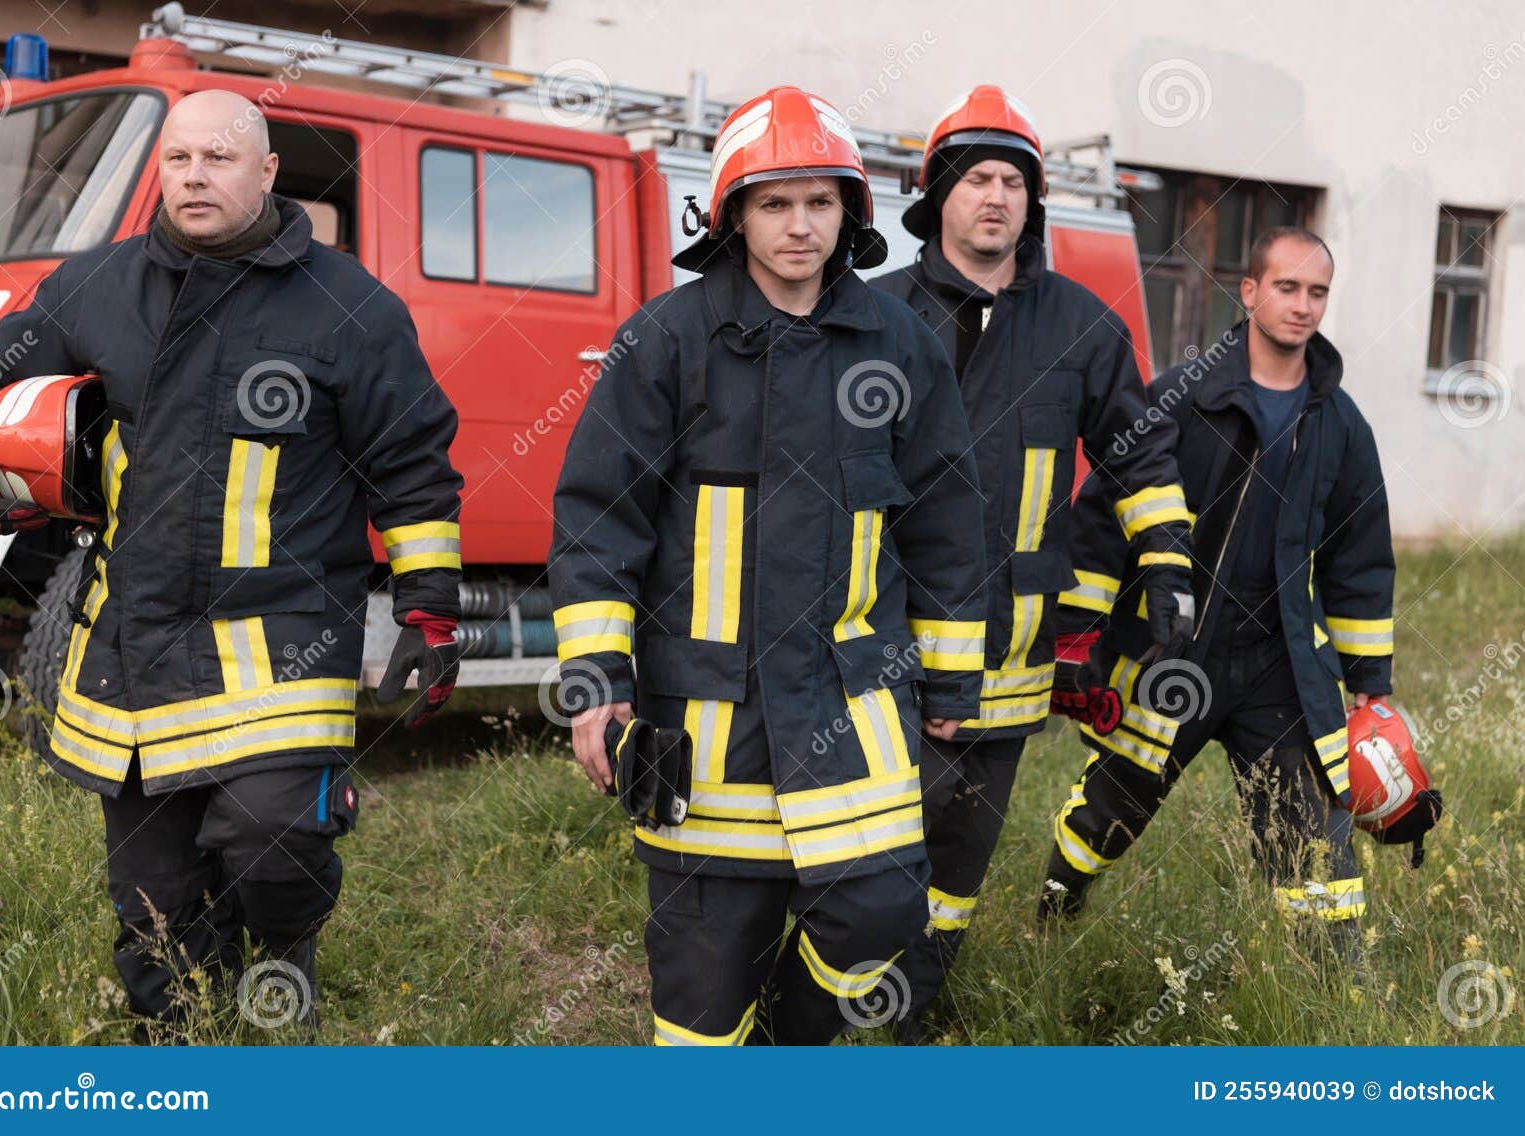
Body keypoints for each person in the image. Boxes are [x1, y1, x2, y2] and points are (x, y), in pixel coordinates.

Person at [0, 90, 464, 1033]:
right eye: (178, 160)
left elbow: (412, 469)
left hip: (282, 637)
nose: (195, 176)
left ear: (266, 174)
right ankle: (174, 1046)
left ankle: (284, 948)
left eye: (218, 158)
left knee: (270, 838)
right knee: (152, 897)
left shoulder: (352, 309)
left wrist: (429, 609)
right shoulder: (95, 284)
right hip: (133, 638)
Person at [549, 85, 987, 1045]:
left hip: (851, 702)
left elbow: (949, 523)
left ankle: (786, 1050)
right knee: (702, 999)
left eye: (821, 202)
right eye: (775, 202)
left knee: (880, 916)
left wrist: (953, 674)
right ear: (734, 214)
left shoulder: (901, 345)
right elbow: (598, 518)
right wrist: (594, 677)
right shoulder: (666, 339)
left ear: (851, 214)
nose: (800, 226)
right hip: (702, 712)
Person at [868, 85, 1192, 1036]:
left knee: (957, 864)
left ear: (1032, 201)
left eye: (1013, 179)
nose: (996, 197)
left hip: (1008, 659)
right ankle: (819, 1016)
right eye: (977, 178)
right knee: (864, 850)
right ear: (938, 196)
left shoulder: (1083, 329)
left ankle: (907, 1022)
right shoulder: (873, 318)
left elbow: (1140, 457)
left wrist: (1168, 561)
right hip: (876, 648)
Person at [1039, 227, 1394, 955]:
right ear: (1252, 292)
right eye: (1287, 288)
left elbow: (1359, 559)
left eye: (1317, 292)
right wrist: (1078, 638)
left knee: (1308, 829)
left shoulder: (1339, 422)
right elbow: (1105, 523)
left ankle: (1336, 979)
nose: (1302, 306)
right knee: (1117, 801)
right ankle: (1054, 904)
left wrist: (1369, 684)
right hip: (1174, 652)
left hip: (1279, 662)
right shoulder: (1178, 397)